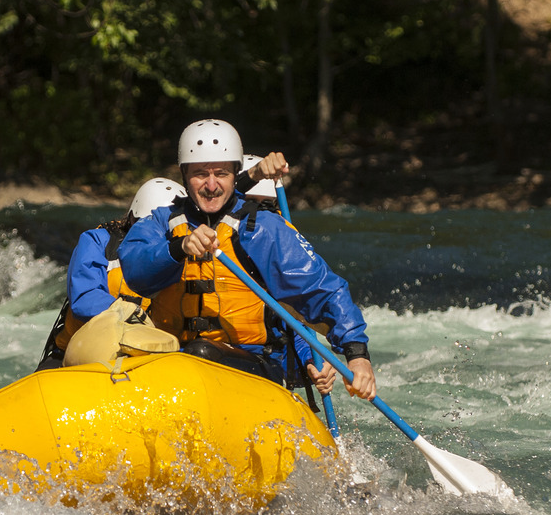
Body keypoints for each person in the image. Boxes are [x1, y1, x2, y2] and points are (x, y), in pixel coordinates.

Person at [119, 118, 377, 400]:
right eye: (200, 174)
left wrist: (356, 354)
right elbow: (135, 269)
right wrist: (177, 248)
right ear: (184, 176)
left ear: (235, 175)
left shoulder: (263, 229)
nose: (211, 184)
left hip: (253, 366)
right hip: (173, 361)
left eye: (222, 173)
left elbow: (323, 291)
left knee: (199, 352)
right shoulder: (161, 223)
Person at [36, 177, 186, 369]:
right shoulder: (98, 241)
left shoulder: (182, 253)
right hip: (80, 356)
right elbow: (85, 297)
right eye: (146, 226)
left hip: (152, 360)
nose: (153, 237)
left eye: (164, 233)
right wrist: (129, 315)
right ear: (132, 219)